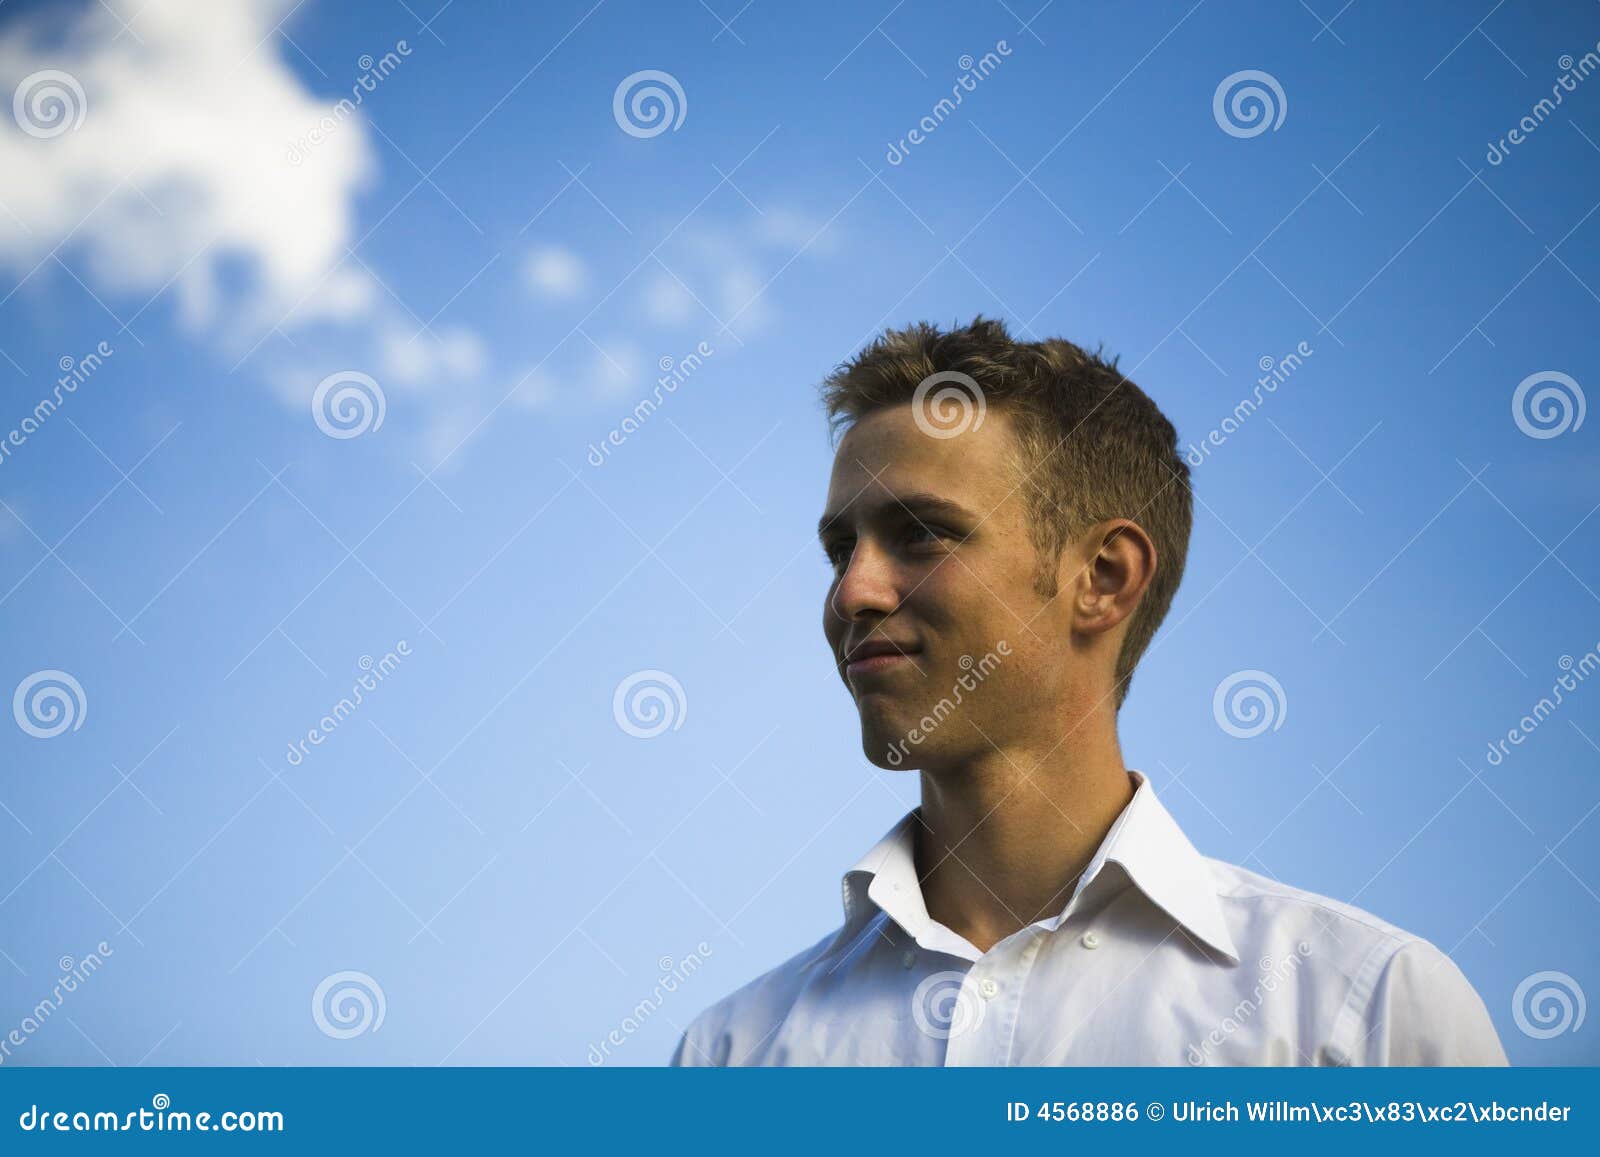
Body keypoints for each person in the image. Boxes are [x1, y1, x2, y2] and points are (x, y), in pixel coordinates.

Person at [670, 317, 1505, 1066]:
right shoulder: (731, 1057)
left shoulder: (1364, 1019)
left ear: (1104, 578)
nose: (853, 593)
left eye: (921, 534)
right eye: (840, 548)